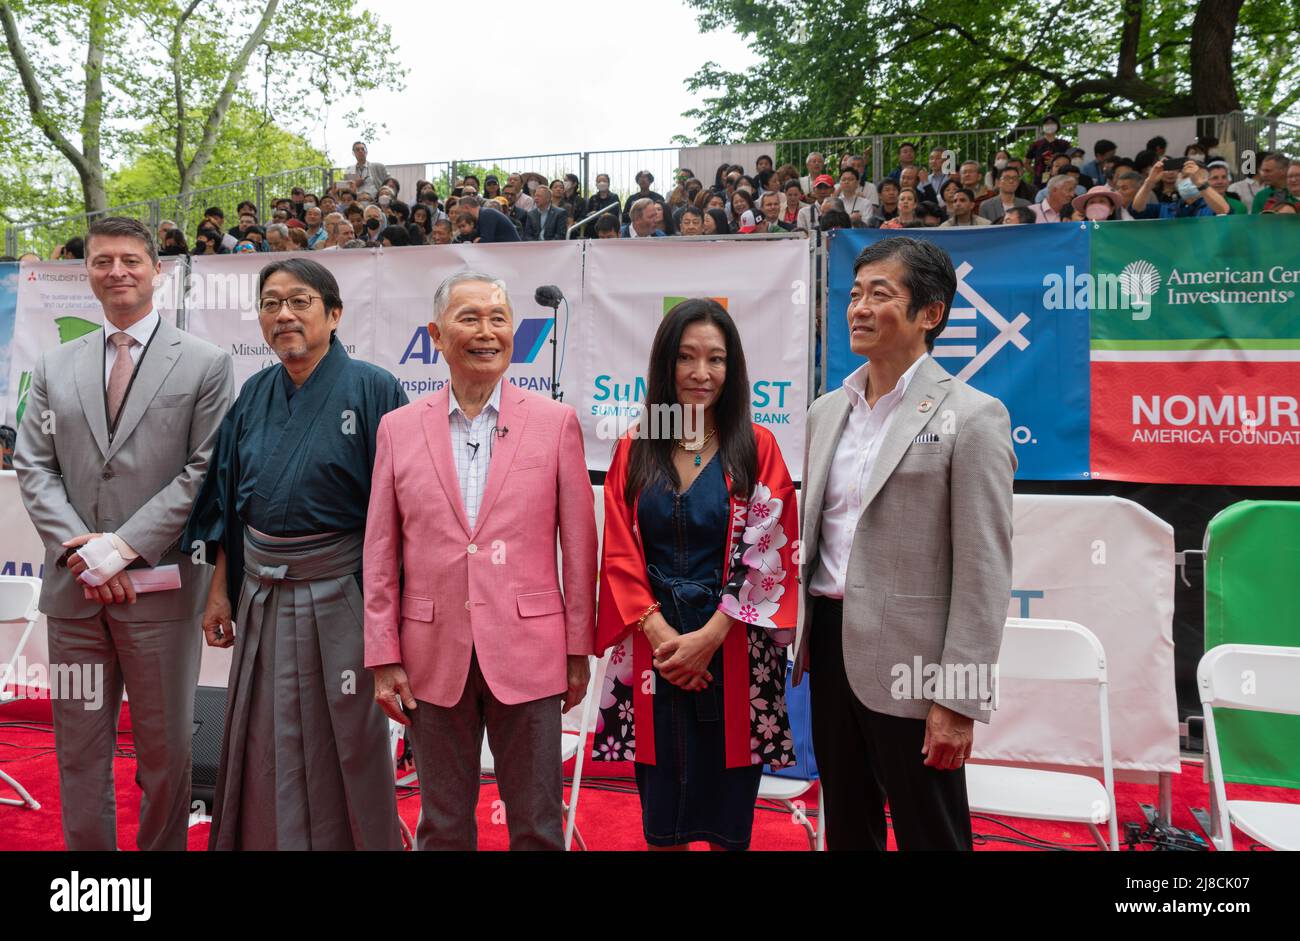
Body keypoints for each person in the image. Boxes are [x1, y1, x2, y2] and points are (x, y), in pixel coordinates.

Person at [14, 216, 234, 850]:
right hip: (74, 593)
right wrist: (87, 556)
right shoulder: (55, 365)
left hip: (160, 595)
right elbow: (34, 465)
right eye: (103, 260)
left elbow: (204, 470)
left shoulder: (207, 364)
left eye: (131, 260)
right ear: (87, 272)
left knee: (166, 753)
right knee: (78, 750)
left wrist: (121, 549)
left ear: (157, 271)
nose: (117, 272)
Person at [364, 271, 597, 851]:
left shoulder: (555, 423)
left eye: (499, 319)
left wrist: (577, 650)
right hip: (430, 653)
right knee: (442, 825)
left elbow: (579, 547)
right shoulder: (397, 429)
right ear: (436, 335)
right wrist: (383, 655)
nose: (487, 332)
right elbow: (380, 552)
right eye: (469, 318)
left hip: (532, 651)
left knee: (538, 824)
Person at [795, 236, 1015, 850]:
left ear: (930, 313)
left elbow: (984, 570)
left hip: (915, 667)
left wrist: (959, 699)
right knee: (848, 827)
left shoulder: (973, 417)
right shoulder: (824, 413)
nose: (859, 308)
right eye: (855, 294)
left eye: (880, 294)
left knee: (931, 835)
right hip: (830, 649)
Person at [184, 258, 407, 850]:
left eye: (299, 301)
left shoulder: (374, 389)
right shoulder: (254, 394)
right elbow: (230, 502)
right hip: (259, 591)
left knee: (348, 736)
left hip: (342, 593)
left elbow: (400, 513)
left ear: (334, 315)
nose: (283, 314)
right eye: (271, 303)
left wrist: (390, 621)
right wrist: (219, 592)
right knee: (260, 732)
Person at [595, 299, 799, 850]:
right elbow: (618, 553)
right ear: (665, 365)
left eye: (716, 358)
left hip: (735, 650)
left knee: (729, 823)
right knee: (662, 822)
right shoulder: (635, 446)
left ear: (733, 368)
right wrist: (662, 635)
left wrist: (710, 637)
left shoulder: (756, 447)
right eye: (686, 357)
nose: (700, 373)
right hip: (653, 652)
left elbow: (770, 552)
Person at [458, 195, 523, 243]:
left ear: (466, 207)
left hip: (512, 251)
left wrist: (478, 241)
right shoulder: (480, 217)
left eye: (461, 212)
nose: (462, 215)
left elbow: (486, 241)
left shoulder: (487, 214)